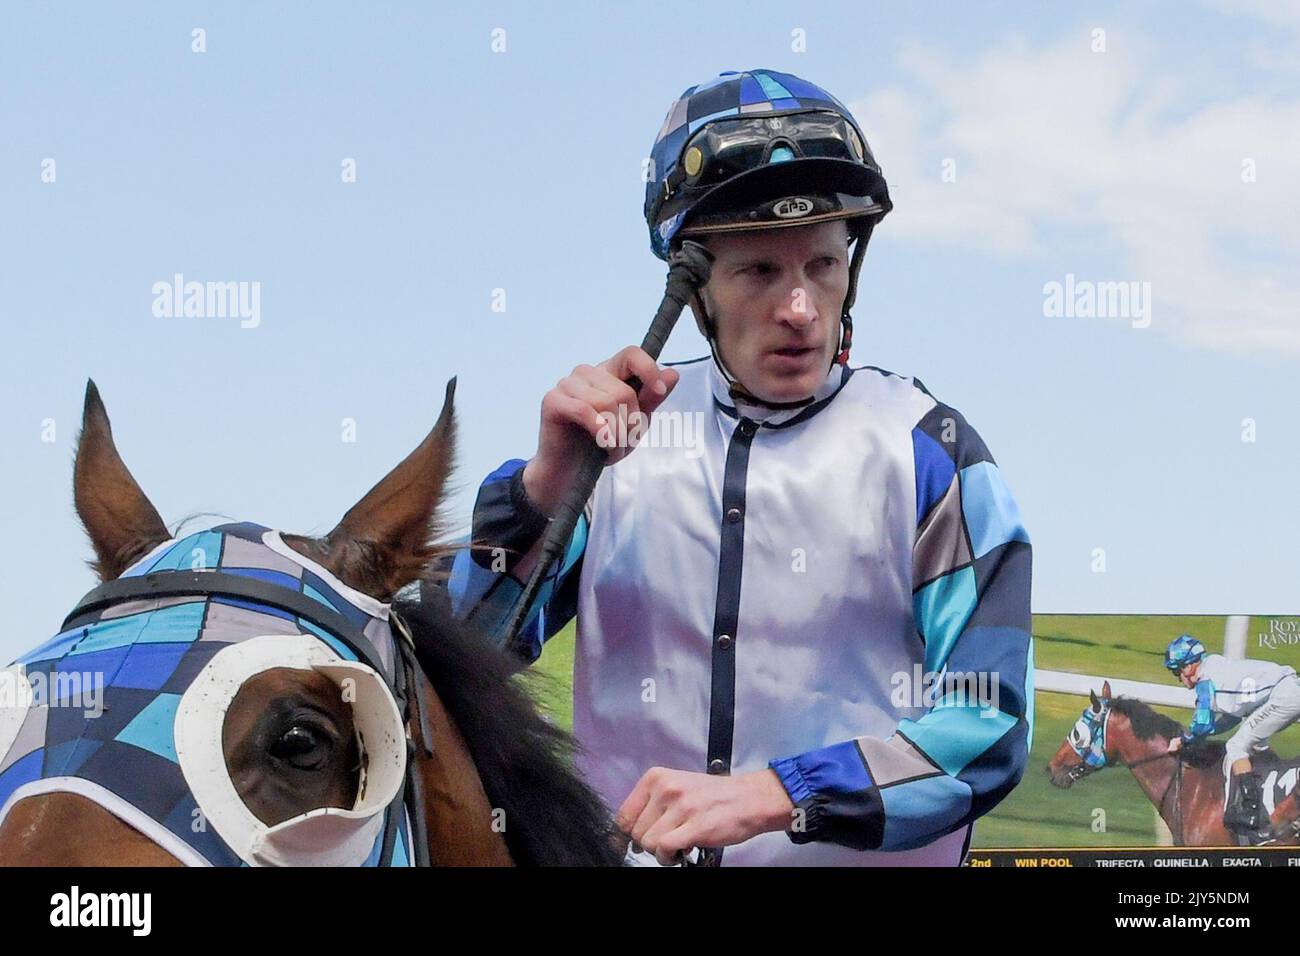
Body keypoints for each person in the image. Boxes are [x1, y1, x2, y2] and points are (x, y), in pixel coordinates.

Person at [449, 68, 1034, 866]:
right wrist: (544, 487)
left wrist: (773, 795)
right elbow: (461, 663)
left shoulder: (933, 451)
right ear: (697, 290)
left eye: (822, 265)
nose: (800, 309)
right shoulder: (618, 439)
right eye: (759, 271)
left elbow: (989, 727)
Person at [1164, 634, 1300, 837]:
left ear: (1191, 665)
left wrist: (1184, 740)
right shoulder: (1215, 668)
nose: (1178, 677)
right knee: (1254, 742)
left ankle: (1251, 810)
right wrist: (1202, 733)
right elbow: (1231, 718)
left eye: (1178, 670)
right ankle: (1273, 789)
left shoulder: (1205, 681)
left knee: (1236, 746)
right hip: (1286, 692)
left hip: (1284, 697)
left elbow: (1202, 725)